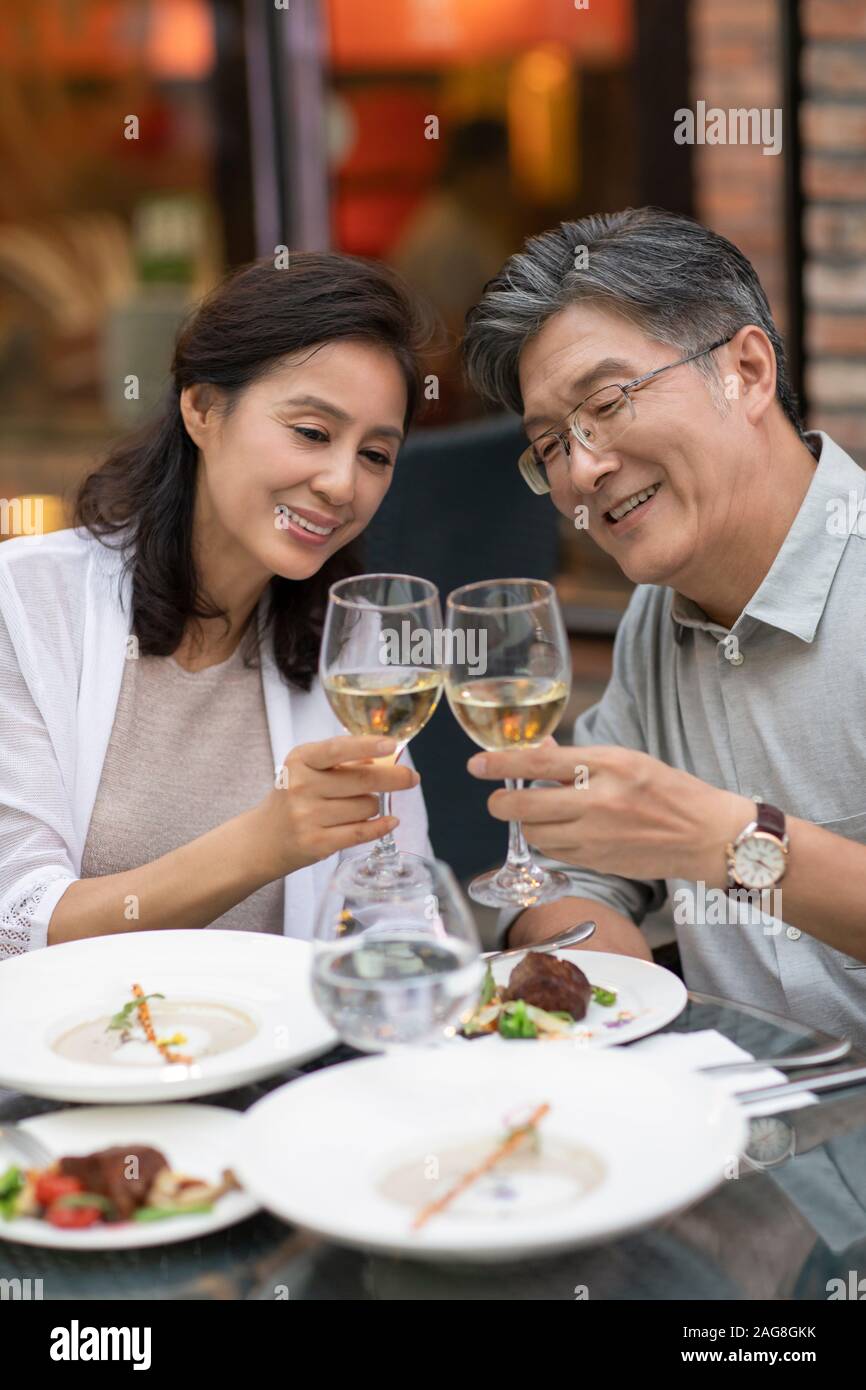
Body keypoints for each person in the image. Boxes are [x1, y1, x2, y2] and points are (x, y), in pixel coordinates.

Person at [461, 207, 866, 1047]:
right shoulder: (662, 611)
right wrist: (592, 992)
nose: (584, 470)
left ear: (746, 372)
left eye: (605, 404)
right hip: (733, 1124)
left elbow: (693, 836)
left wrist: (728, 843)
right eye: (551, 446)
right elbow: (578, 878)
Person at [0, 254, 435, 958]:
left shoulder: (351, 648)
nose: (340, 483)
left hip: (285, 1059)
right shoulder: (24, 601)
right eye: (313, 433)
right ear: (203, 409)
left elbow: (401, 914)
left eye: (376, 454)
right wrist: (263, 844)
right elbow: (15, 924)